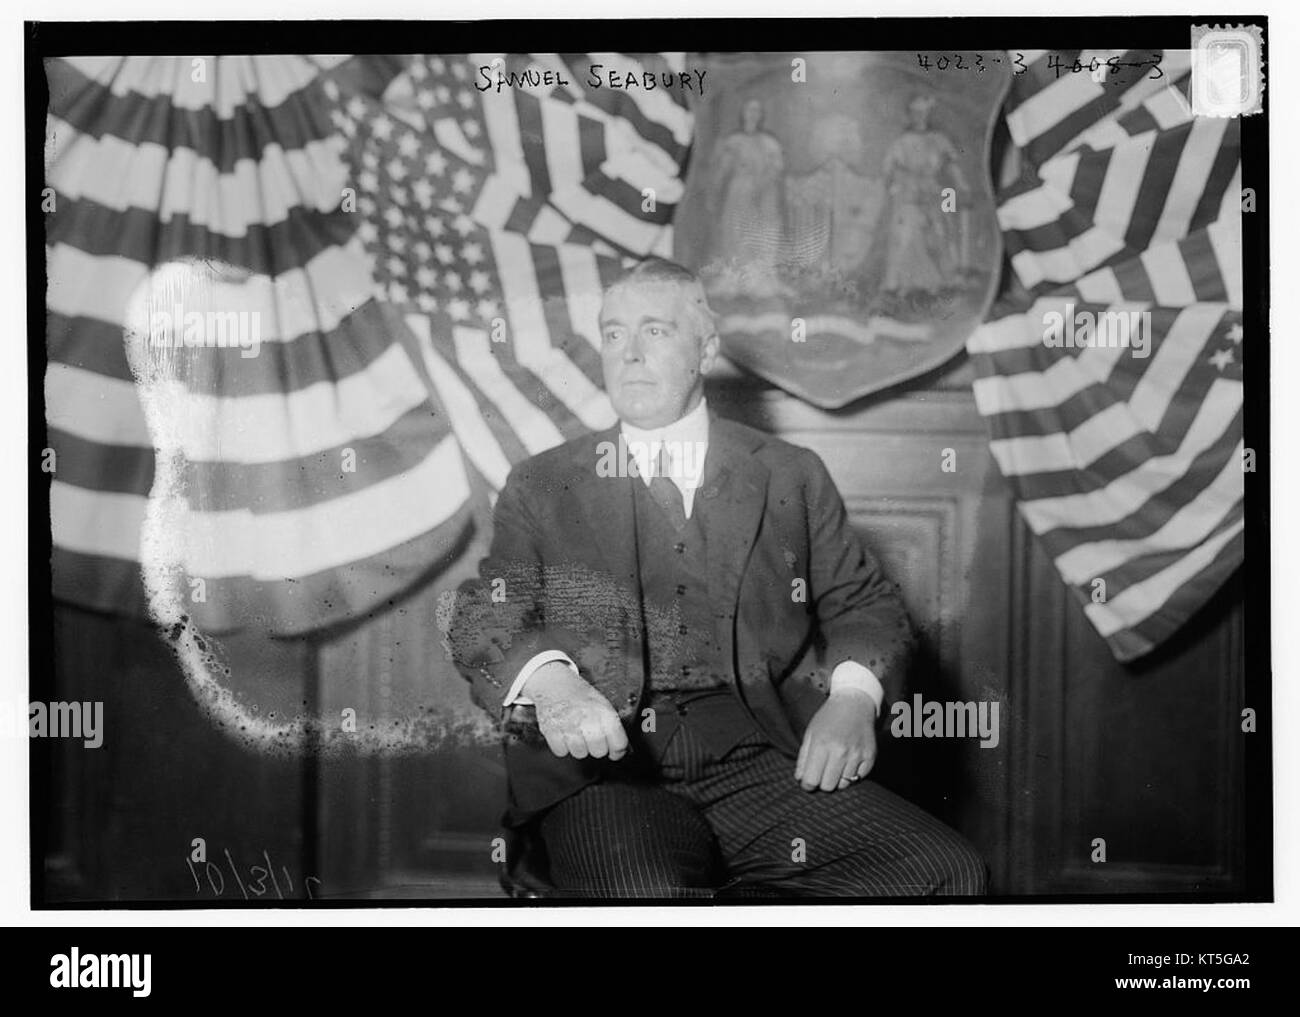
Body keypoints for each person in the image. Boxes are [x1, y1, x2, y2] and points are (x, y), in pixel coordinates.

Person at [448, 258, 987, 898]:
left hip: (761, 760)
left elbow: (865, 605)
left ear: (705, 352)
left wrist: (853, 698)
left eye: (655, 332)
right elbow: (487, 612)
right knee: (648, 898)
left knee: (946, 874)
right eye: (614, 334)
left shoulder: (788, 473)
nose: (629, 354)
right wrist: (552, 681)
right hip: (608, 777)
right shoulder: (543, 483)